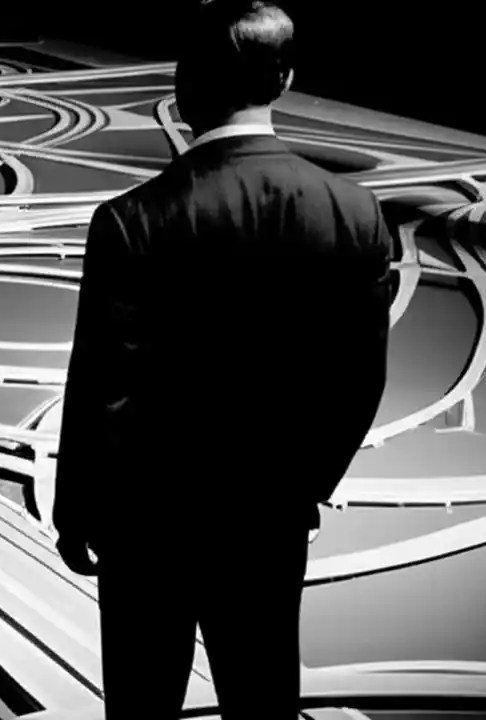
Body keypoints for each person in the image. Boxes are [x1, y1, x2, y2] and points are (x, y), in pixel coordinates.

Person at [51, 1, 395, 718]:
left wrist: (77, 510)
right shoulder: (354, 211)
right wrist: (301, 483)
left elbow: (104, 386)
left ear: (184, 86)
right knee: (263, 700)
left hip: (148, 524)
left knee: (143, 707)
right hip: (268, 514)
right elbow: (359, 380)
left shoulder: (131, 219)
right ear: (286, 78)